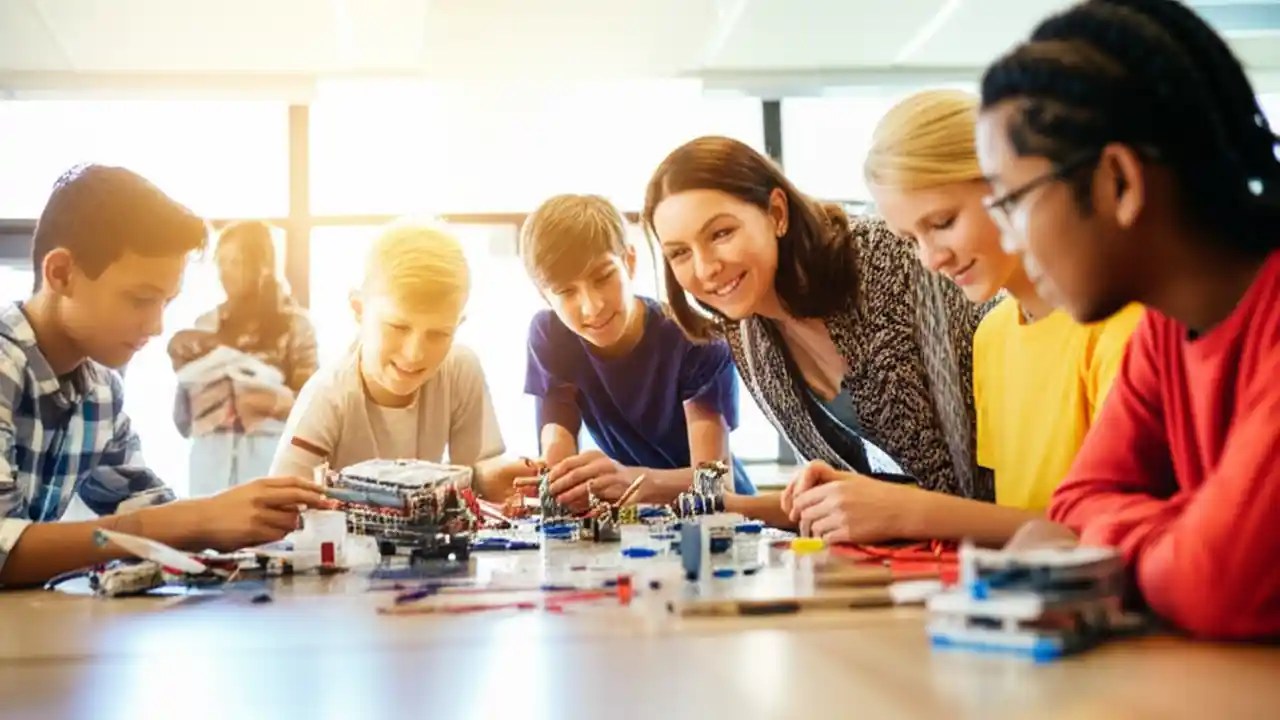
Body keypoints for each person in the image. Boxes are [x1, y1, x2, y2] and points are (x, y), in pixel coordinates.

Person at [975, 0, 1280, 638]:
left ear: (1118, 182)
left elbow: (1218, 584)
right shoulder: (1164, 331)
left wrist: (1151, 540)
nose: (1009, 241)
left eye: (1011, 201)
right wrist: (1188, 528)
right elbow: (1074, 503)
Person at [781, 89, 1143, 546]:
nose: (931, 259)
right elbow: (1018, 518)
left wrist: (914, 513)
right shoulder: (992, 335)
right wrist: (868, 496)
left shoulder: (1122, 323)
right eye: (911, 239)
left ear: (1007, 186)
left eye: (942, 222)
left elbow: (1117, 534)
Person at [0, 165, 330, 587]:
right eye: (140, 299)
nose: (156, 326)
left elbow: (143, 507)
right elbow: (4, 553)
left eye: (166, 303)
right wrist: (198, 517)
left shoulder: (99, 391)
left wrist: (247, 520)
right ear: (61, 273)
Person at [643, 136, 990, 532]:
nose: (705, 269)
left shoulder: (887, 258)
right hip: (943, 556)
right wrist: (709, 504)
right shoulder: (748, 339)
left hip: (1023, 530)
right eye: (680, 253)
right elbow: (872, 496)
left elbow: (956, 484)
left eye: (720, 233)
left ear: (776, 213)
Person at [514, 194, 754, 510]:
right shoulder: (551, 335)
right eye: (566, 291)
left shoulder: (696, 341)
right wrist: (557, 476)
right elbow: (557, 443)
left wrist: (629, 480)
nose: (592, 306)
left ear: (629, 262)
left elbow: (716, 481)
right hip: (633, 517)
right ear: (544, 295)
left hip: (722, 518)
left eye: (603, 277)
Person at [270, 220, 522, 499]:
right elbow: (281, 507)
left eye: (439, 334)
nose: (414, 354)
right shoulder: (327, 397)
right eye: (398, 327)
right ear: (359, 310)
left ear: (458, 325)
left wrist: (502, 478)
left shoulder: (461, 368)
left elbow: (476, 479)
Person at [169, 221, 318, 496]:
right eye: (221, 262)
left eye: (235, 261)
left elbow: (311, 408)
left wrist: (267, 401)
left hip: (269, 456)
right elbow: (182, 415)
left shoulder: (295, 326)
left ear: (262, 264)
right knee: (207, 535)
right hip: (211, 458)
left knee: (270, 534)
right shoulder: (205, 326)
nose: (225, 272)